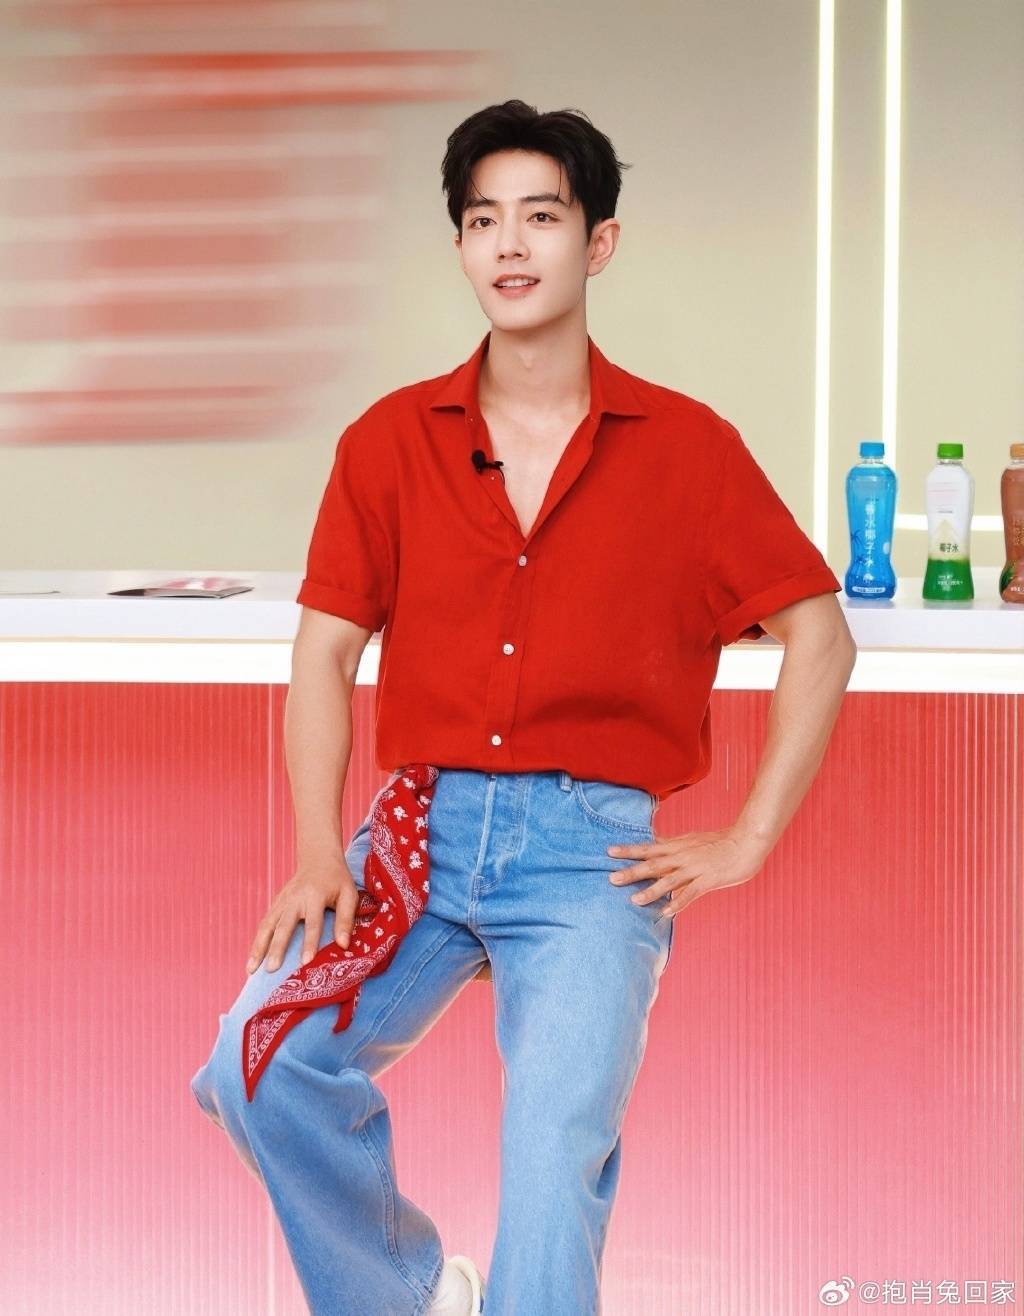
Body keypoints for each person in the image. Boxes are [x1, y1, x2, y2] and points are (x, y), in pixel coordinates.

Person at [190, 99, 857, 1316]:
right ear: (458, 244)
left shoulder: (688, 447)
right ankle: (408, 1294)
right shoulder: (389, 440)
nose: (508, 243)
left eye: (540, 217)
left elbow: (820, 630)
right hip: (418, 833)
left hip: (591, 852)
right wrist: (314, 849)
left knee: (554, 1163)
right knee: (257, 1062)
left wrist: (750, 836)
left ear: (597, 243)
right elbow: (324, 652)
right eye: (481, 219)